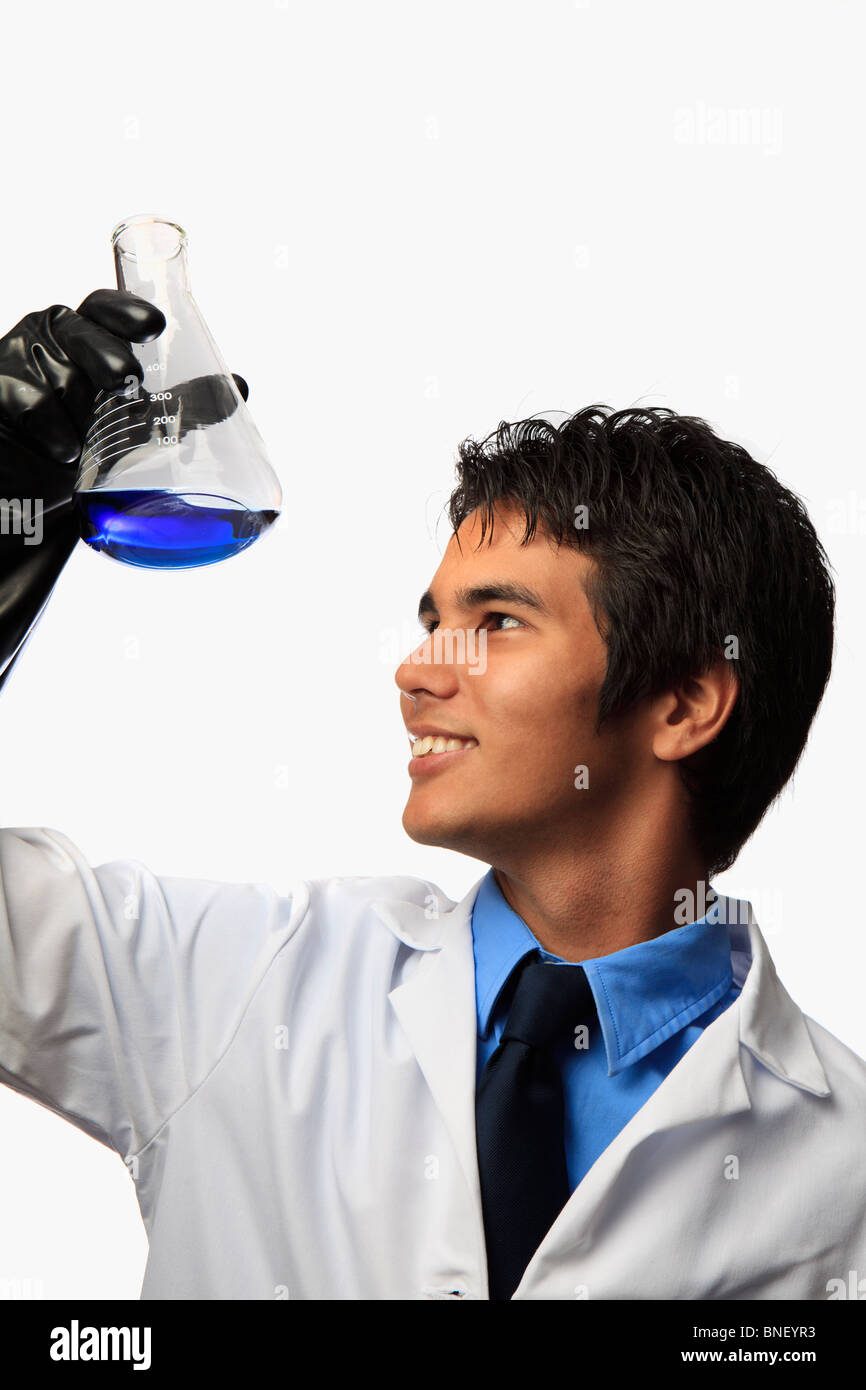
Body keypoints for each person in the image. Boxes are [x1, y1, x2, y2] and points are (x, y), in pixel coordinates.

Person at [0, 290, 863, 1301]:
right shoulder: (227, 986)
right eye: (432, 621)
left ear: (681, 703)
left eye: (495, 622)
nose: (416, 672)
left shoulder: (839, 1169)